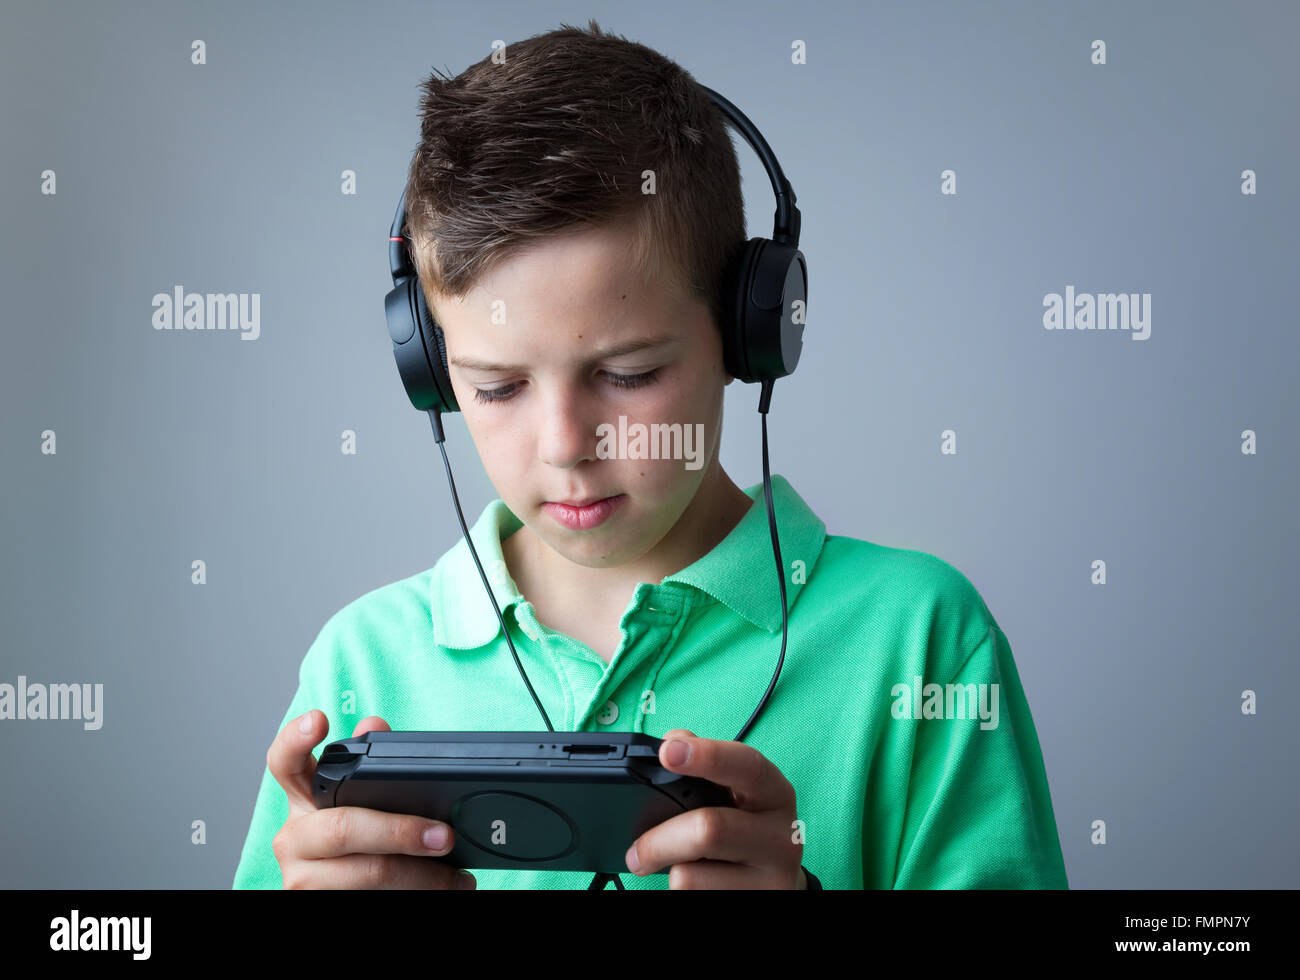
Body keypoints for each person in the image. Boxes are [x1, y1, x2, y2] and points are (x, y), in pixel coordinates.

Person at [233, 19, 1068, 890]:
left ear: (748, 338)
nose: (565, 448)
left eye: (628, 375)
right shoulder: (361, 665)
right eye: (496, 387)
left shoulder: (920, 642)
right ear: (433, 372)